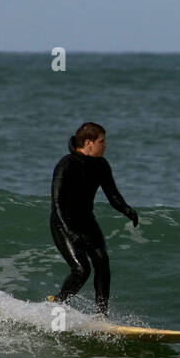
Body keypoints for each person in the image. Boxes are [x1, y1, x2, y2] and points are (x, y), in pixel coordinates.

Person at [48, 122, 139, 317]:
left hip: (86, 221)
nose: (105, 145)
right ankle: (58, 304)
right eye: (102, 141)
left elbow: (112, 195)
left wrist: (127, 210)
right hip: (63, 222)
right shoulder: (66, 165)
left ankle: (101, 314)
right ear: (89, 143)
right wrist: (70, 232)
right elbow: (57, 205)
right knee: (81, 270)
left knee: (102, 260)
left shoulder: (101, 165)